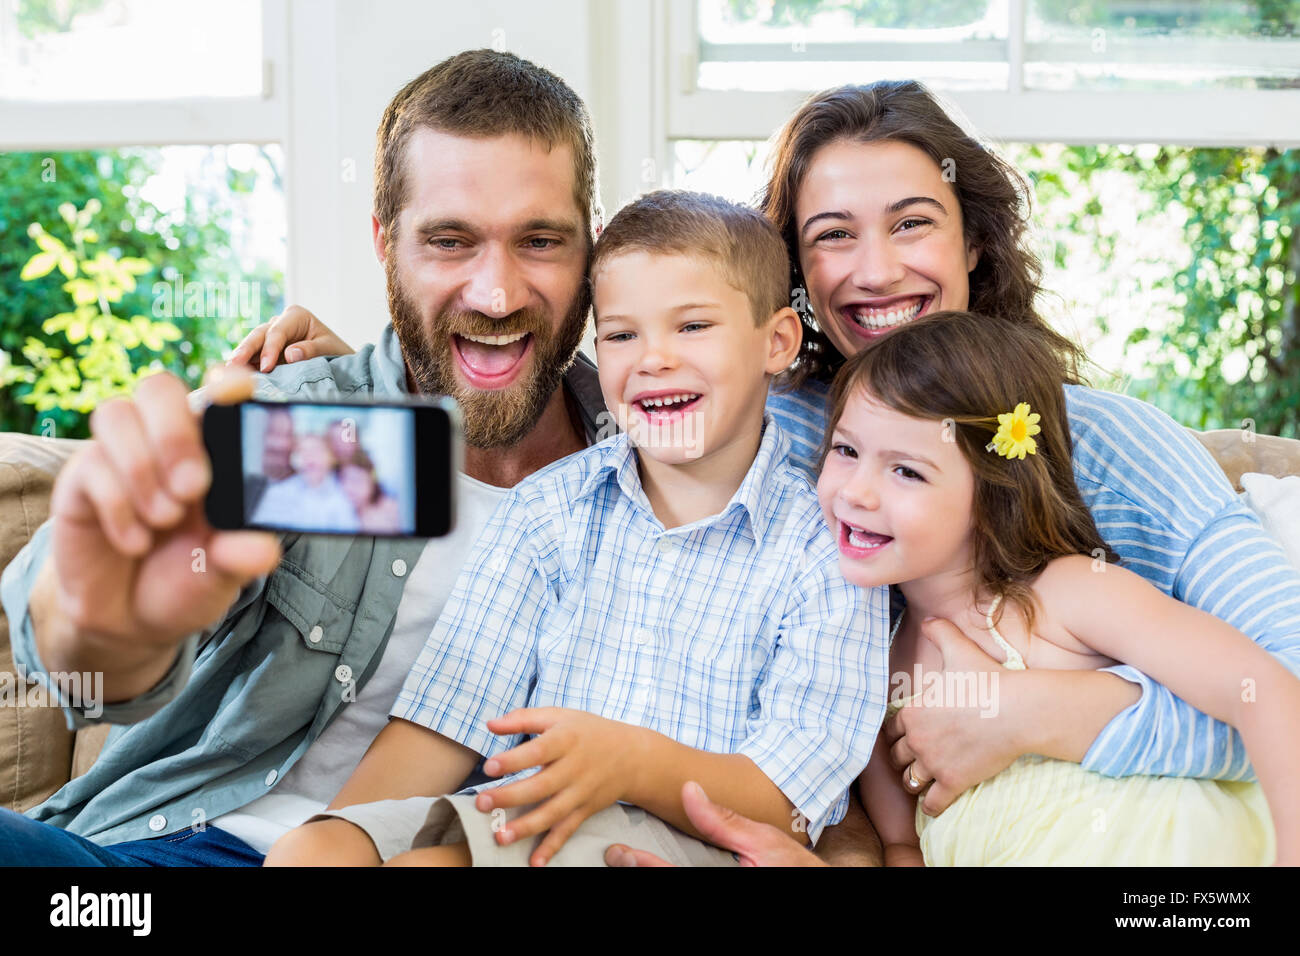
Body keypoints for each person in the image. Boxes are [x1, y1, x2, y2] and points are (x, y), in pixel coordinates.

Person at [255, 79, 1300, 867]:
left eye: (911, 223)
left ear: (974, 240)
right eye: (832, 234)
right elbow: (574, 392)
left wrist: (1051, 712)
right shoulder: (779, 437)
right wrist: (369, 380)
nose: (876, 268)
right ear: (796, 293)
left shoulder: (1100, 445)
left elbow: (1282, 689)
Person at [0, 49, 615, 866]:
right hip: (186, 853)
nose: (496, 295)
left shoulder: (653, 466)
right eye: (449, 241)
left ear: (592, 246)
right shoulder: (324, 431)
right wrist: (101, 628)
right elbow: (82, 636)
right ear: (385, 243)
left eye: (540, 240)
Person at [263, 191, 888, 867]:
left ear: (776, 342)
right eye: (623, 335)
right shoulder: (548, 510)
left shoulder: (824, 545)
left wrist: (630, 763)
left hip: (691, 838)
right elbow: (446, 718)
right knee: (313, 851)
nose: (653, 359)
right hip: (529, 815)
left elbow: (792, 804)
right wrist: (345, 828)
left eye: (692, 327)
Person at [827, 310, 1294, 865]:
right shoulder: (871, 670)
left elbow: (1265, 688)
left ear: (996, 492)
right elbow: (904, 843)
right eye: (845, 450)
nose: (857, 492)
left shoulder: (1065, 593)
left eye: (907, 471)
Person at [249, 433, 361, 533]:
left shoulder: (345, 495)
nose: (309, 456)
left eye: (317, 450)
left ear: (330, 457)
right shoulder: (278, 492)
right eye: (302, 450)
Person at [338, 449, 402, 535]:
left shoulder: (390, 510)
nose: (348, 488)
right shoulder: (342, 512)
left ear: (372, 483)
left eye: (356, 480)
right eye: (344, 479)